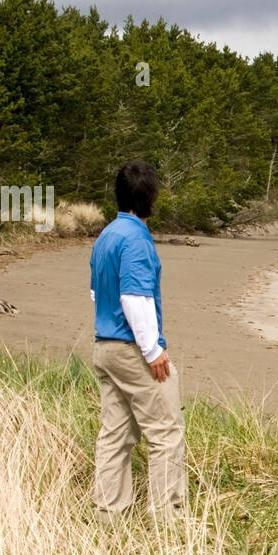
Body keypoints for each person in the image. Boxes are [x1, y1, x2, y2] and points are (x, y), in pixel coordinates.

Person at [89, 160, 186, 520]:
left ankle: (108, 513)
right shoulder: (136, 240)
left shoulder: (106, 236)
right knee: (166, 433)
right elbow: (134, 298)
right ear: (151, 200)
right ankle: (169, 520)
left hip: (104, 346)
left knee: (115, 433)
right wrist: (153, 351)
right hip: (131, 348)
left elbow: (97, 294)